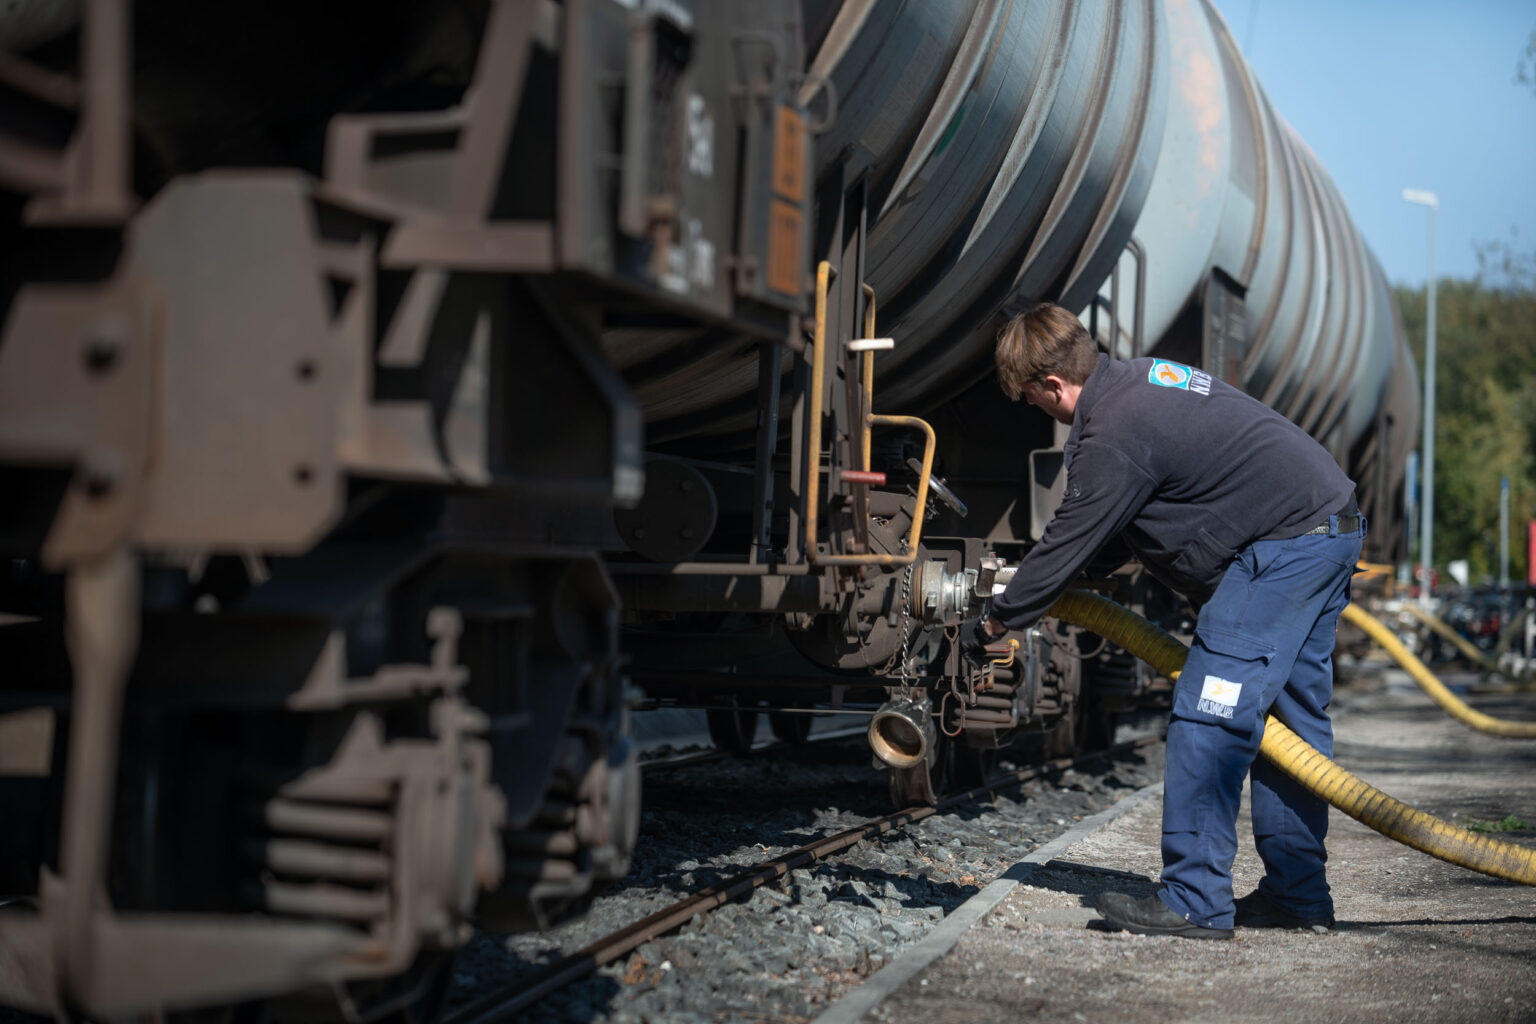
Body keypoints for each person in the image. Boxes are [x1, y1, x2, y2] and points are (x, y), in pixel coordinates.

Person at [961, 302, 1365, 939]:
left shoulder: (1112, 434)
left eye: (1033, 400)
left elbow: (1068, 540)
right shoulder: (1143, 382)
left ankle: (1195, 899)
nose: (1038, 410)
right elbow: (1133, 519)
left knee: (1211, 709)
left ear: (1052, 386)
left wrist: (996, 621)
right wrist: (1081, 576)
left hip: (1284, 548)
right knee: (1290, 723)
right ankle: (1297, 896)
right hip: (1326, 526)